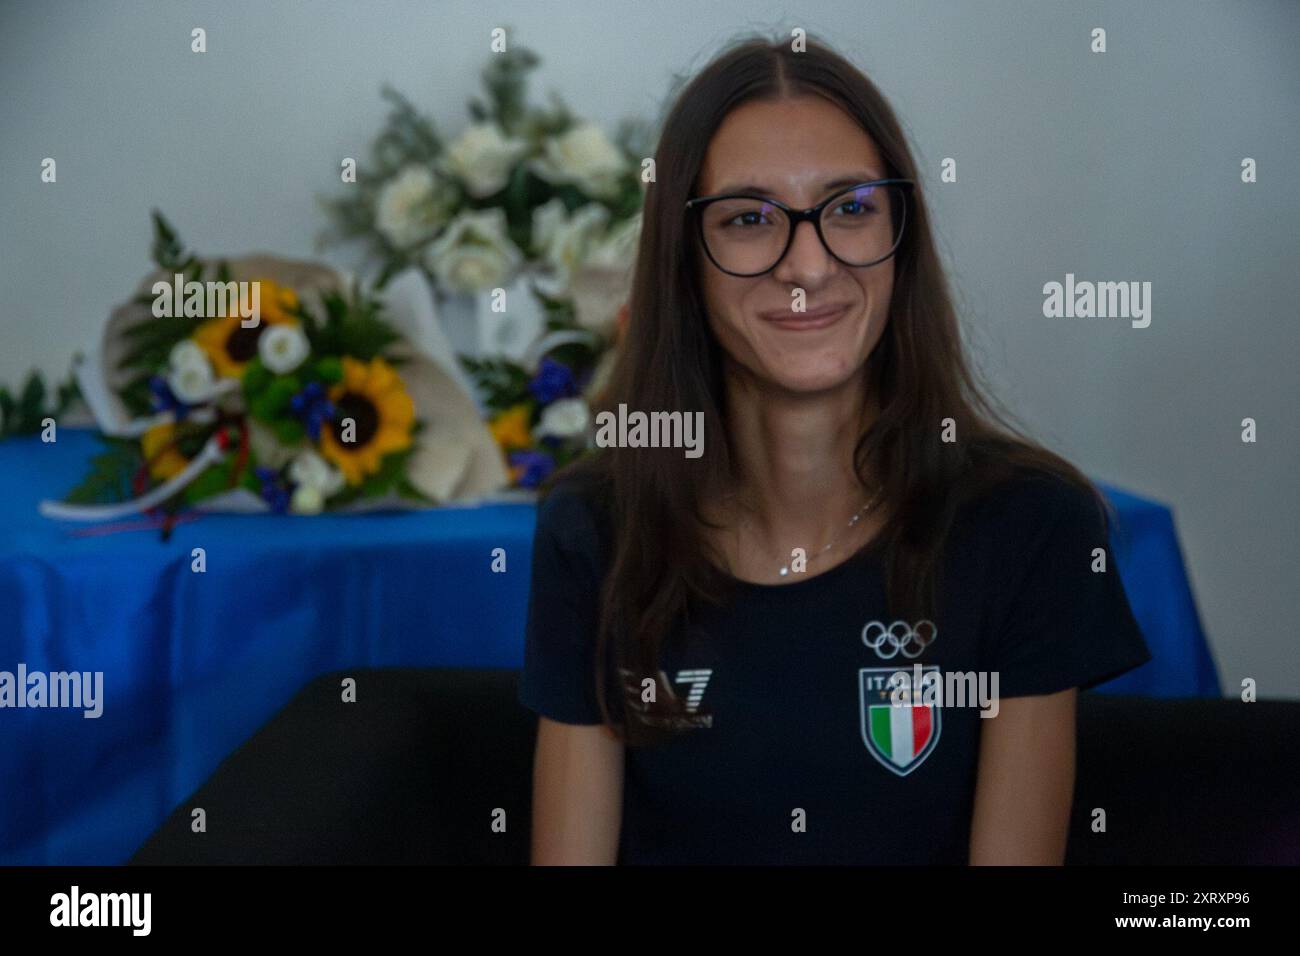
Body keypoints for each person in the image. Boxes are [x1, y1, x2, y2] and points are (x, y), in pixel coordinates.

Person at [519, 34, 1151, 865]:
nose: (808, 266)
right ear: (684, 262)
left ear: (902, 238)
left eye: (850, 207)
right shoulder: (596, 526)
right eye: (749, 219)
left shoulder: (1029, 527)